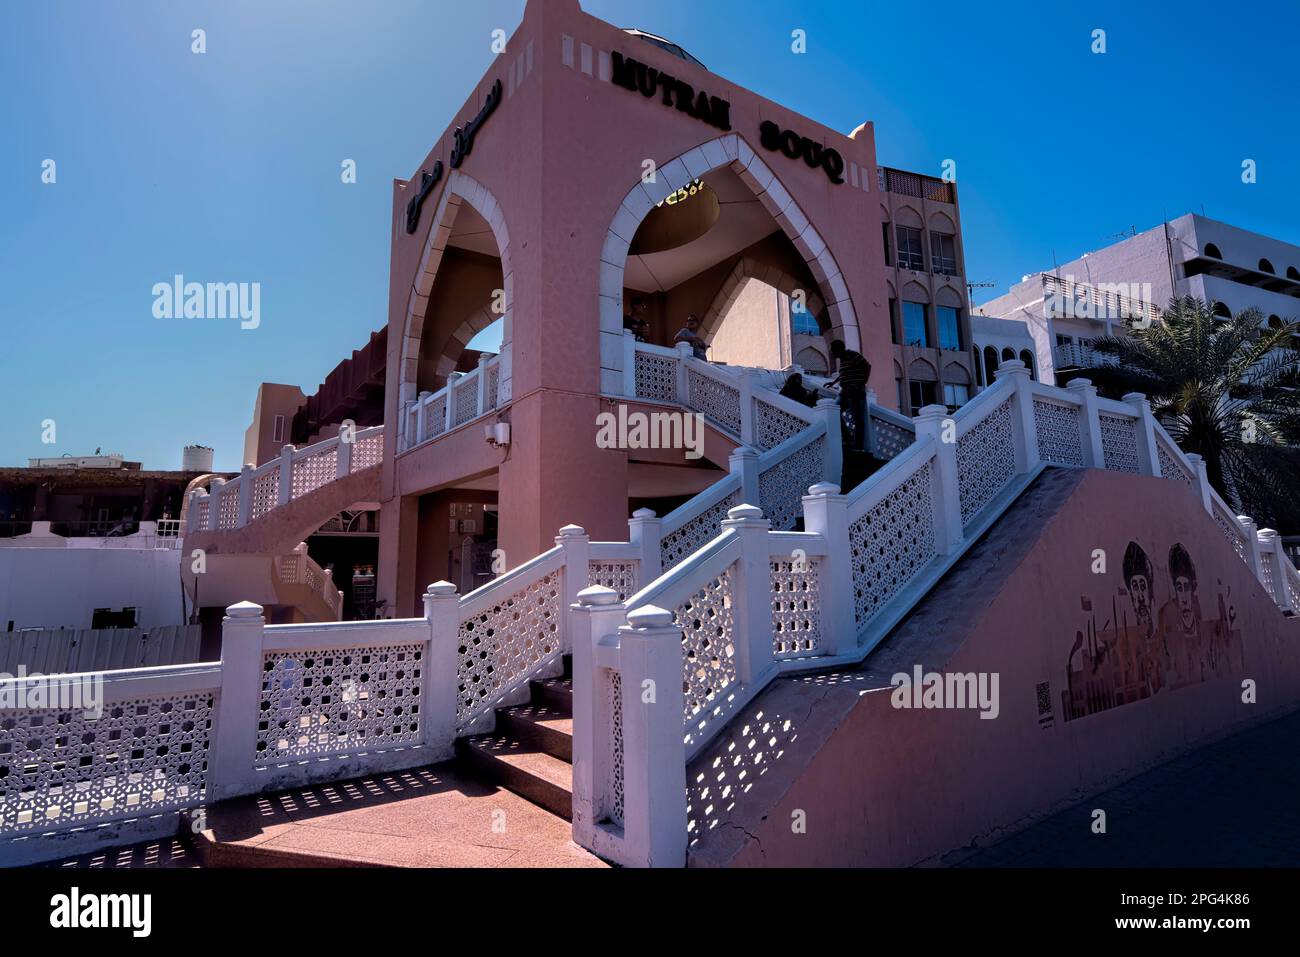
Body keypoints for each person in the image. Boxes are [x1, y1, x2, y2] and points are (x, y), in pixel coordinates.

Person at [826, 340, 870, 451]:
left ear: (839, 349)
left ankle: (858, 447)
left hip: (855, 392)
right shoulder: (843, 360)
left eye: (833, 351)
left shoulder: (853, 355)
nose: (832, 353)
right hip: (845, 392)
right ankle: (848, 438)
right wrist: (833, 383)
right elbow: (843, 374)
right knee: (834, 412)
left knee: (857, 419)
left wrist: (861, 383)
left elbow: (867, 366)